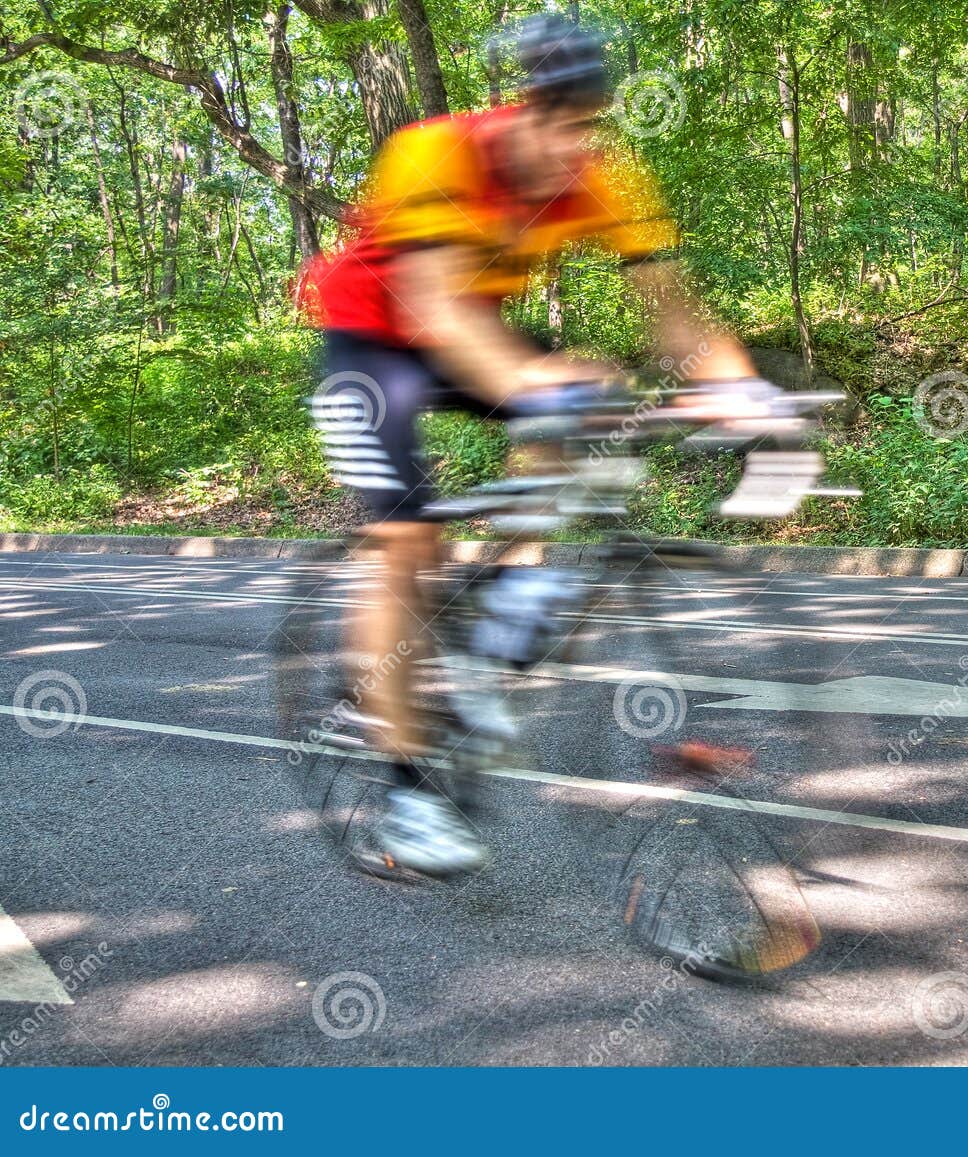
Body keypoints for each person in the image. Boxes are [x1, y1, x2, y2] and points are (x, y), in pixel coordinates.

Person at [301, 13, 766, 878]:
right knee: (407, 539)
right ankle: (407, 794)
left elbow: (676, 314)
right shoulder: (434, 153)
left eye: (589, 127)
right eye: (560, 127)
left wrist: (744, 390)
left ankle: (519, 583)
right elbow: (436, 313)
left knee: (586, 380)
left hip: (466, 334)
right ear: (521, 110)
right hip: (371, 345)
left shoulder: (598, 178)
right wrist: (545, 390)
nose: (573, 151)